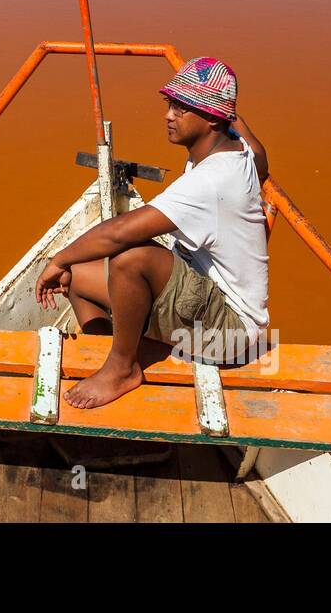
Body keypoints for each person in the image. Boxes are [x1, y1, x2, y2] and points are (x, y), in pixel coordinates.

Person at [35, 56, 270, 409]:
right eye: (170, 104)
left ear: (211, 119)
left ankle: (122, 369)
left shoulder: (212, 180)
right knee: (73, 279)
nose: (169, 115)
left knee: (131, 256)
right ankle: (116, 349)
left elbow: (119, 233)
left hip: (230, 333)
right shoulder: (237, 149)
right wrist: (232, 116)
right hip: (205, 305)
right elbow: (260, 156)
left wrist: (58, 257)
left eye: (183, 107)